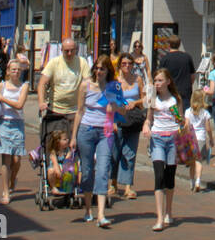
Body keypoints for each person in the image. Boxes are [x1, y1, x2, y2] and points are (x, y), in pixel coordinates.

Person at [70, 54, 126, 228]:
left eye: (103, 68)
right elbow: (79, 111)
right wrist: (73, 136)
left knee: (103, 169)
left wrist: (115, 106)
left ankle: (101, 214)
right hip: (86, 130)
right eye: (97, 68)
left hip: (105, 132)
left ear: (109, 70)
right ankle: (88, 209)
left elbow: (123, 110)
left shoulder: (114, 87)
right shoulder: (86, 85)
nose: (99, 71)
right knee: (87, 171)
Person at [143, 68, 183, 231]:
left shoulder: (176, 100)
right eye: (156, 80)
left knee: (170, 177)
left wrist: (182, 124)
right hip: (158, 139)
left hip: (173, 139)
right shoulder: (153, 98)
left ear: (168, 81)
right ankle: (159, 217)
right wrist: (146, 126)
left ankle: (169, 211)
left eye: (160, 80)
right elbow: (148, 118)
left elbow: (180, 120)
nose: (157, 84)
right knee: (159, 175)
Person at [0, 57, 29, 203]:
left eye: (18, 70)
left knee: (17, 159)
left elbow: (19, 105)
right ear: (8, 71)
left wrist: (3, 99)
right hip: (4, 123)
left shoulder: (24, 86)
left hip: (17, 123)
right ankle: (6, 192)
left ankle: (13, 180)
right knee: (6, 159)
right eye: (13, 70)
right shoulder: (1, 86)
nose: (16, 72)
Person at [38, 38, 91, 141]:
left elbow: (88, 83)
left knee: (73, 141)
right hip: (56, 110)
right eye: (67, 51)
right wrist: (41, 102)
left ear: (76, 50)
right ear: (61, 50)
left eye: (72, 50)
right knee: (55, 143)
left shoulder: (82, 62)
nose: (70, 53)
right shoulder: (54, 63)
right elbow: (42, 84)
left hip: (74, 110)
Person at [109, 52, 147, 199]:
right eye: (124, 64)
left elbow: (144, 100)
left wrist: (135, 103)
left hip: (133, 119)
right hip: (118, 119)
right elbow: (111, 102)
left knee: (130, 153)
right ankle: (113, 183)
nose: (127, 66)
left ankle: (128, 186)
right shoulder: (115, 81)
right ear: (119, 65)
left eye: (129, 64)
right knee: (115, 153)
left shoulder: (137, 80)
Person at [185, 88, 215, 192]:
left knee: (192, 162)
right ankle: (198, 181)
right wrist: (211, 139)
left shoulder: (188, 111)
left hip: (191, 138)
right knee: (199, 161)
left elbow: (187, 126)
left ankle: (192, 182)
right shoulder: (205, 113)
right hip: (201, 138)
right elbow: (208, 128)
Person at [162, 35, 196, 112]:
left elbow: (161, 77)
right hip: (185, 92)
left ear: (169, 44)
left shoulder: (165, 59)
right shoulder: (187, 57)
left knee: (172, 117)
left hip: (170, 93)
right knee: (184, 117)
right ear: (179, 44)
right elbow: (193, 76)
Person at [46, 130, 77, 202]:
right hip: (56, 173)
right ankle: (54, 188)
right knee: (51, 170)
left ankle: (68, 187)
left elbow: (67, 162)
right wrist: (59, 172)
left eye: (67, 139)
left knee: (71, 168)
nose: (68, 140)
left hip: (65, 172)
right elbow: (55, 165)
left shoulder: (68, 151)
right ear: (58, 141)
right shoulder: (53, 152)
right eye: (65, 139)